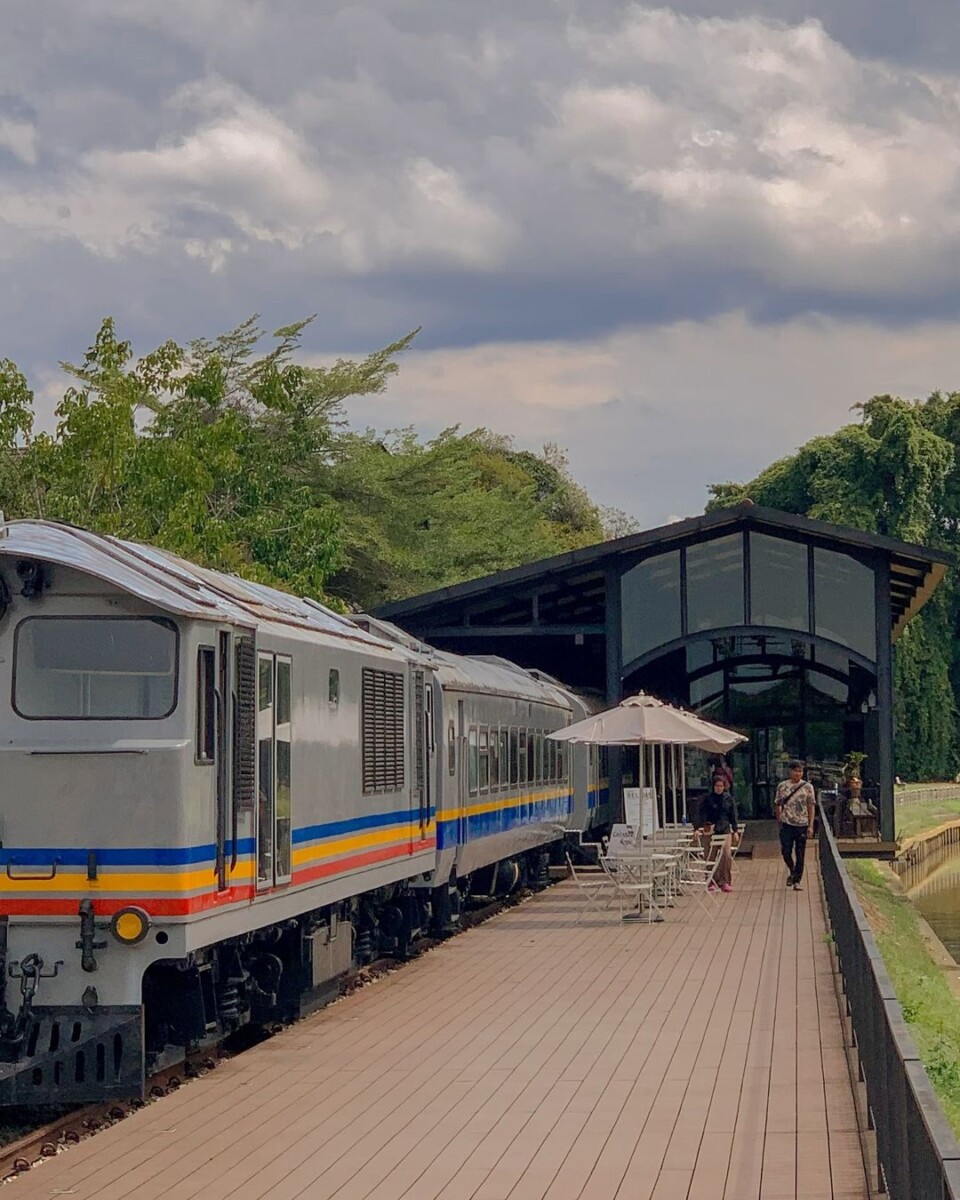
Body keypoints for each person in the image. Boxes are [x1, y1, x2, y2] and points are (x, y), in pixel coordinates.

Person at [775, 761, 815, 891]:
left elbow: (811, 806)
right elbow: (778, 803)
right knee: (786, 851)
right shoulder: (782, 786)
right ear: (790, 771)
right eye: (796, 771)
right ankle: (792, 871)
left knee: (800, 853)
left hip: (802, 823)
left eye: (800, 771)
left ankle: (797, 880)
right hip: (787, 823)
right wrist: (779, 817)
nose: (798, 773)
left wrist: (810, 825)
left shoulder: (807, 787)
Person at [698, 775, 739, 893]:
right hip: (710, 831)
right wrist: (699, 827)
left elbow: (733, 815)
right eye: (717, 786)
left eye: (721, 786)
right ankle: (711, 881)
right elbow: (701, 813)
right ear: (713, 786)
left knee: (726, 856)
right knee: (710, 856)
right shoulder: (707, 799)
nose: (719, 788)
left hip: (725, 830)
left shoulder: (728, 799)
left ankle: (725, 881)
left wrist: (735, 830)